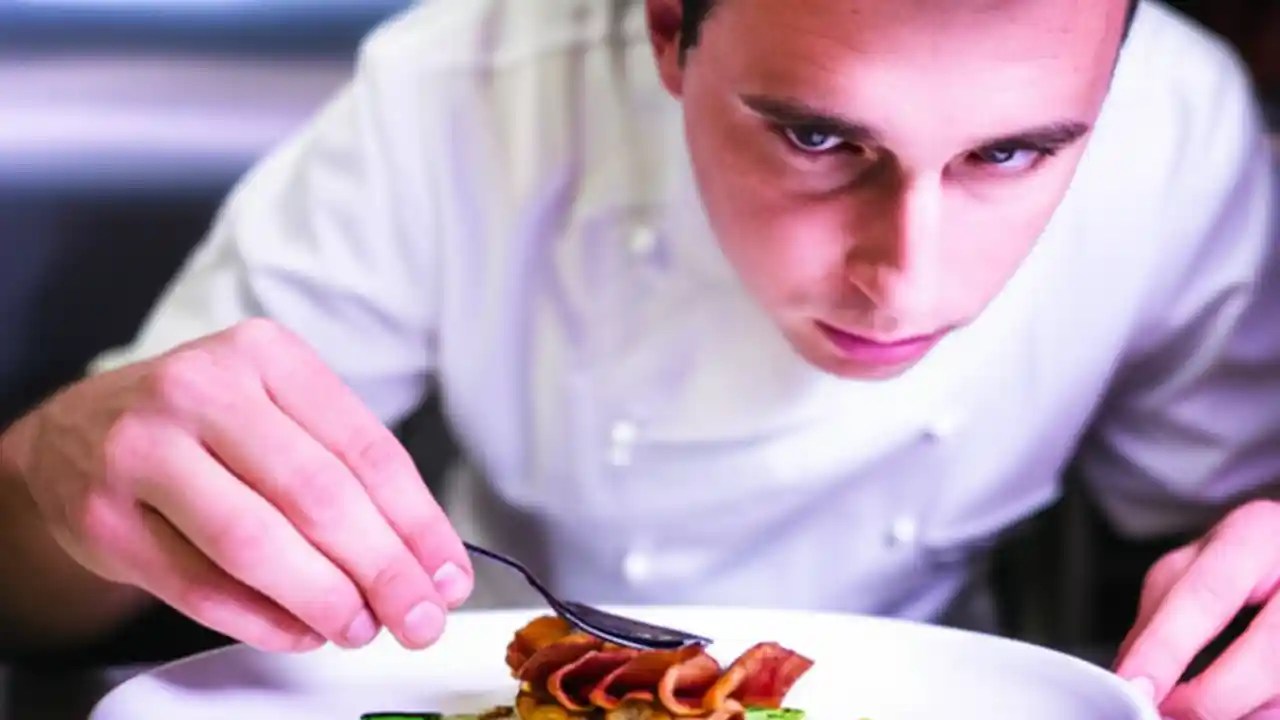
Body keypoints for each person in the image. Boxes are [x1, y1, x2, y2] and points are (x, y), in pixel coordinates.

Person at [1, 0, 1277, 716]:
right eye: (818, 140)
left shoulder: (1182, 123)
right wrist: (56, 479)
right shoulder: (462, 92)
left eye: (1012, 154)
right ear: (670, 33)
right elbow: (41, 594)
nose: (909, 280)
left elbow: (1200, 565)